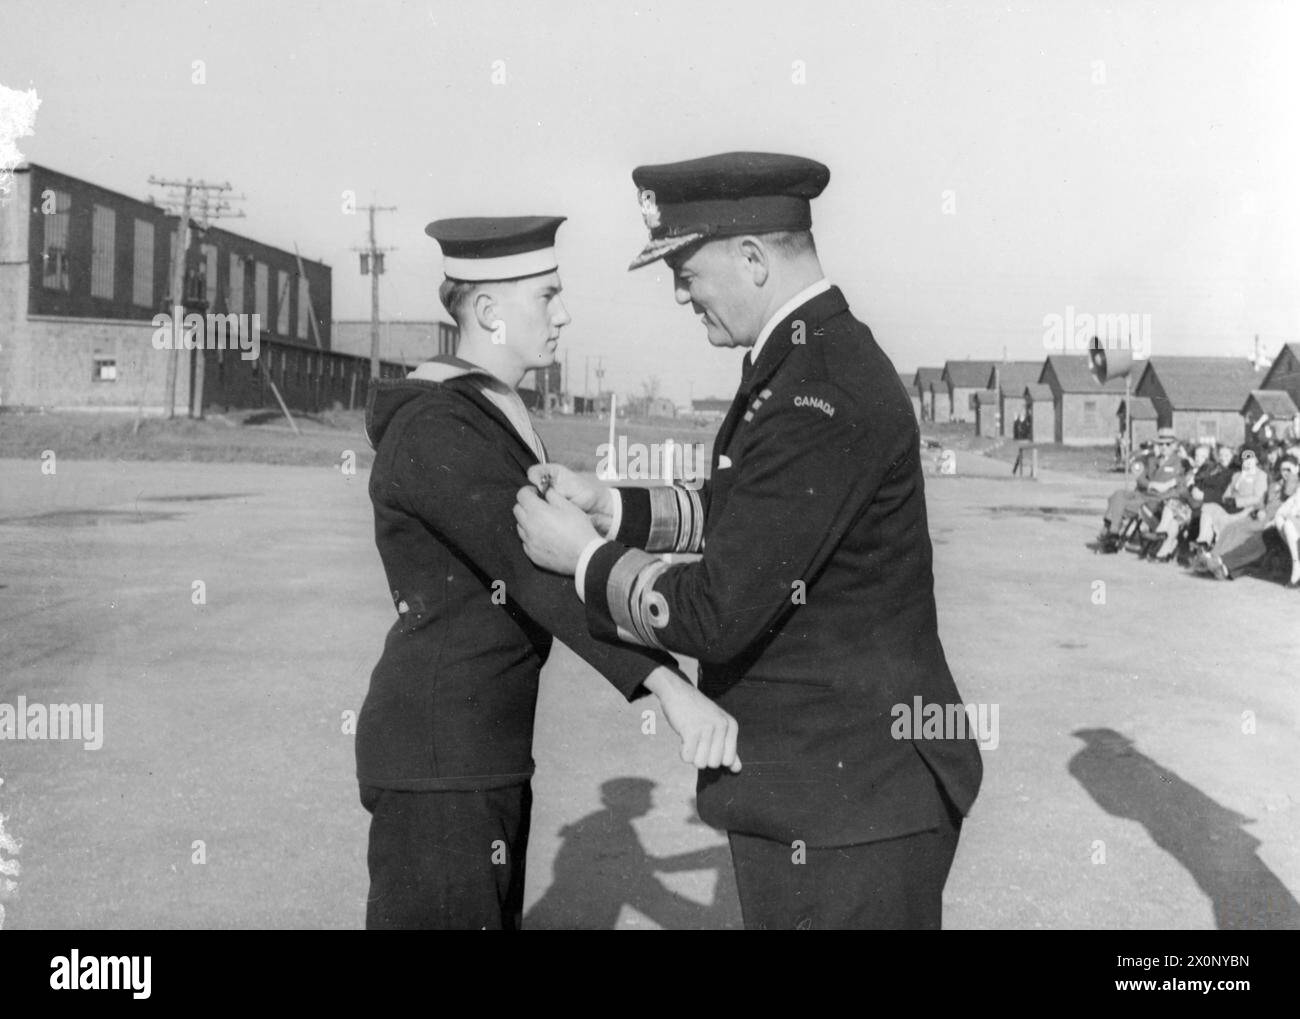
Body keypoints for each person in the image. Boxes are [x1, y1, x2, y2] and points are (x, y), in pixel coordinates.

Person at [514, 152, 983, 929]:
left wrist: (585, 558)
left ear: (754, 259)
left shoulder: (817, 388)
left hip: (853, 813)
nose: (680, 295)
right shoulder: (801, 357)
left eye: (686, 271)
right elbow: (745, 513)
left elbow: (719, 608)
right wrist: (610, 507)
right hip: (832, 797)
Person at [358, 215, 740, 930]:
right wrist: (672, 689)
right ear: (489, 310)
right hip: (441, 758)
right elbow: (536, 572)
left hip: (479, 750)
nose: (563, 313)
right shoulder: (438, 426)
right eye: (547, 295)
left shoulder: (486, 413)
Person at [1198, 454, 1300, 582]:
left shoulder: (1295, 484)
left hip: (1274, 521)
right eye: (1283, 470)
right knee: (1233, 527)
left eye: (1289, 469)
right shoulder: (1275, 484)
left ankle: (1218, 559)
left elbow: (1288, 495)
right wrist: (1260, 510)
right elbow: (1262, 501)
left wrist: (1293, 476)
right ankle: (1215, 557)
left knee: (1245, 532)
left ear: (1297, 468)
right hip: (1264, 517)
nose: (1285, 473)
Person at [1098, 427, 1184, 553]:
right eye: (1161, 444)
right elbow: (1140, 479)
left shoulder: (1179, 462)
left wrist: (1164, 491)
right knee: (1118, 494)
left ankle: (1111, 532)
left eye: (1168, 444)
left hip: (1158, 501)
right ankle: (1114, 532)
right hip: (1144, 495)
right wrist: (1152, 484)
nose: (1164, 447)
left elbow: (1181, 485)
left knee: (1118, 503)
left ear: (1174, 445)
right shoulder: (1151, 459)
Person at [1195, 447, 1269, 548]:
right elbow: (1227, 493)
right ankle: (1203, 541)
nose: (1247, 461)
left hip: (1246, 509)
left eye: (1250, 458)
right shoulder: (1237, 475)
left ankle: (1216, 546)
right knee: (1208, 507)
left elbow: (1257, 498)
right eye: (1244, 458)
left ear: (1256, 460)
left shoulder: (1260, 475)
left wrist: (1237, 501)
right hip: (1231, 508)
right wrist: (1227, 499)